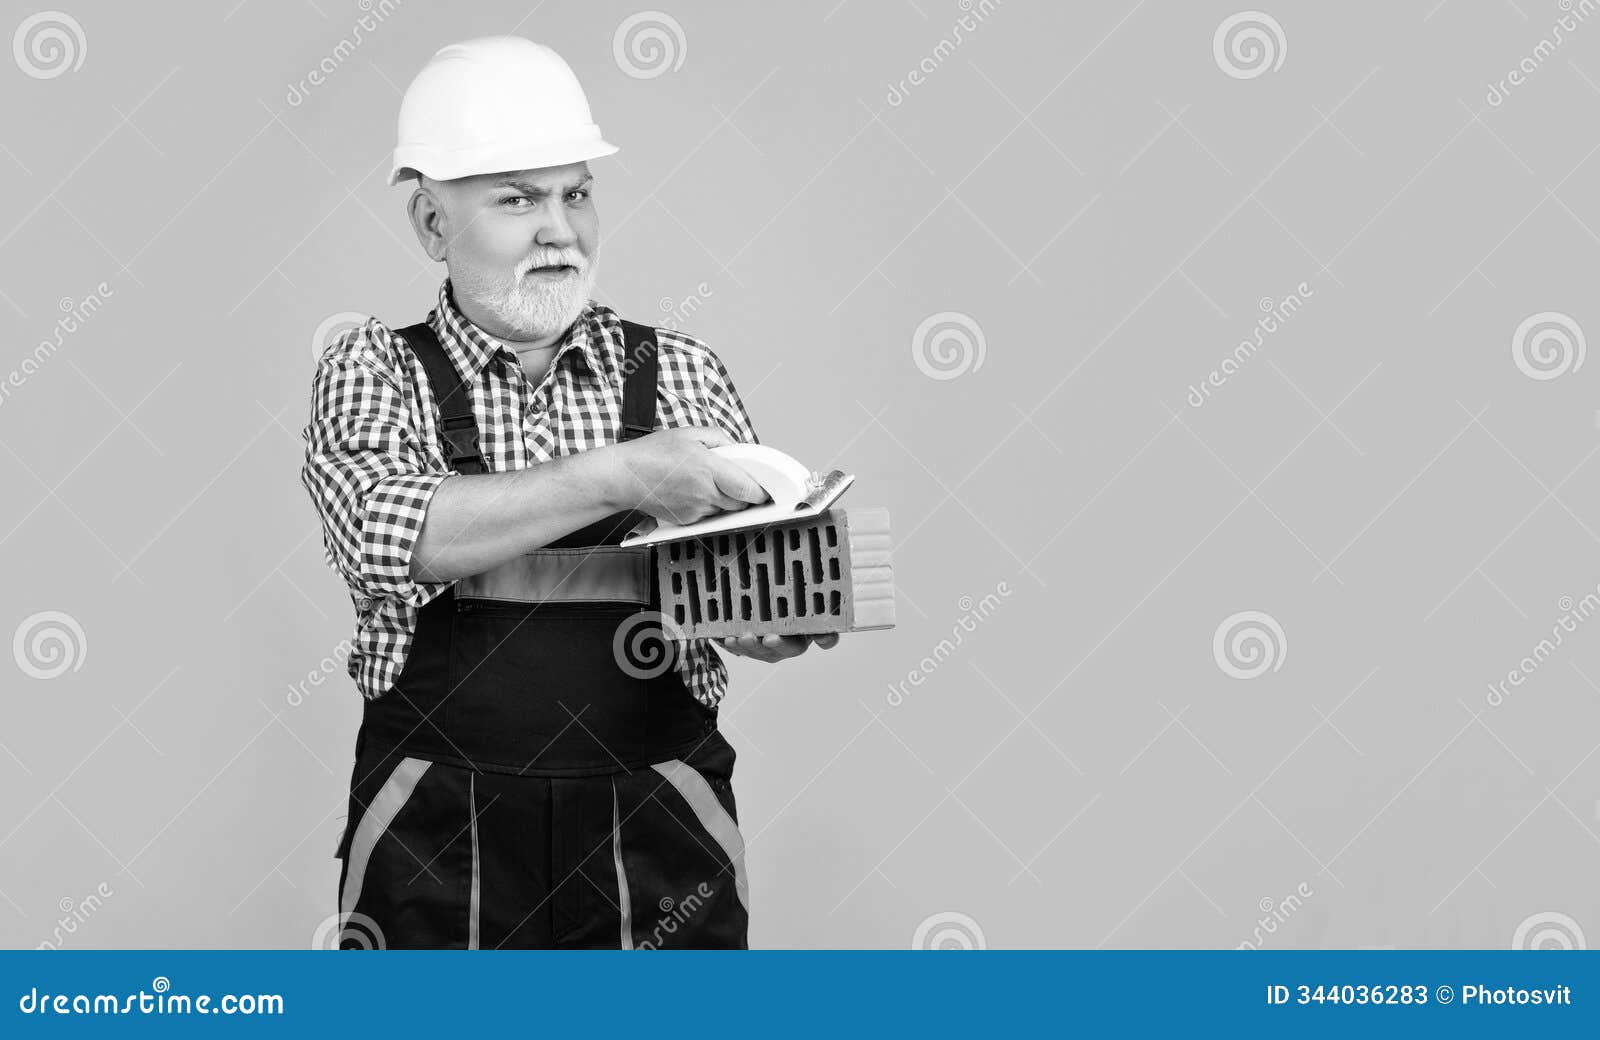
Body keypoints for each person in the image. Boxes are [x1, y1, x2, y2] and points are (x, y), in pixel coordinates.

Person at [299, 35, 836, 950]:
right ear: (432, 224)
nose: (560, 230)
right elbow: (392, 535)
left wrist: (767, 617)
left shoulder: (680, 370)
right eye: (518, 199)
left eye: (575, 194)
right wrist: (626, 475)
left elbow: (744, 606)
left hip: (658, 822)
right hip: (437, 831)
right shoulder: (374, 369)